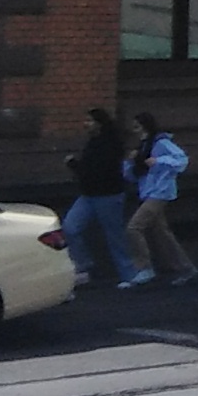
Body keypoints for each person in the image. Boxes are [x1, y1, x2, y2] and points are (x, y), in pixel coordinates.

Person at [63, 106, 148, 289]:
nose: (85, 124)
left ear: (99, 123)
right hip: (90, 194)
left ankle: (129, 273)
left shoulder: (109, 144)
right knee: (70, 227)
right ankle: (83, 266)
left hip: (108, 195)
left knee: (114, 234)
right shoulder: (94, 142)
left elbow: (97, 170)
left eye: (89, 121)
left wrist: (74, 165)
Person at [125, 111, 198, 286]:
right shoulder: (142, 146)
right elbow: (134, 175)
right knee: (162, 234)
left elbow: (181, 160)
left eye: (138, 125)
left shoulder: (161, 143)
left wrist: (158, 161)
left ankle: (144, 268)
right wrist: (130, 163)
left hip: (160, 192)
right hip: (149, 192)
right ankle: (185, 267)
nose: (135, 129)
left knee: (133, 227)